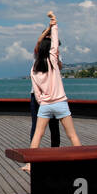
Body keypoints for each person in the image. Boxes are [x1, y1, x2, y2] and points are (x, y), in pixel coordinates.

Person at [22, 11, 80, 171]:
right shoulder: (53, 60)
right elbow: (51, 44)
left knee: (37, 135)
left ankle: (30, 163)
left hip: (45, 103)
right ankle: (83, 161)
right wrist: (53, 25)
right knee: (72, 135)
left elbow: (37, 88)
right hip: (60, 101)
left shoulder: (34, 68)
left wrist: (42, 100)